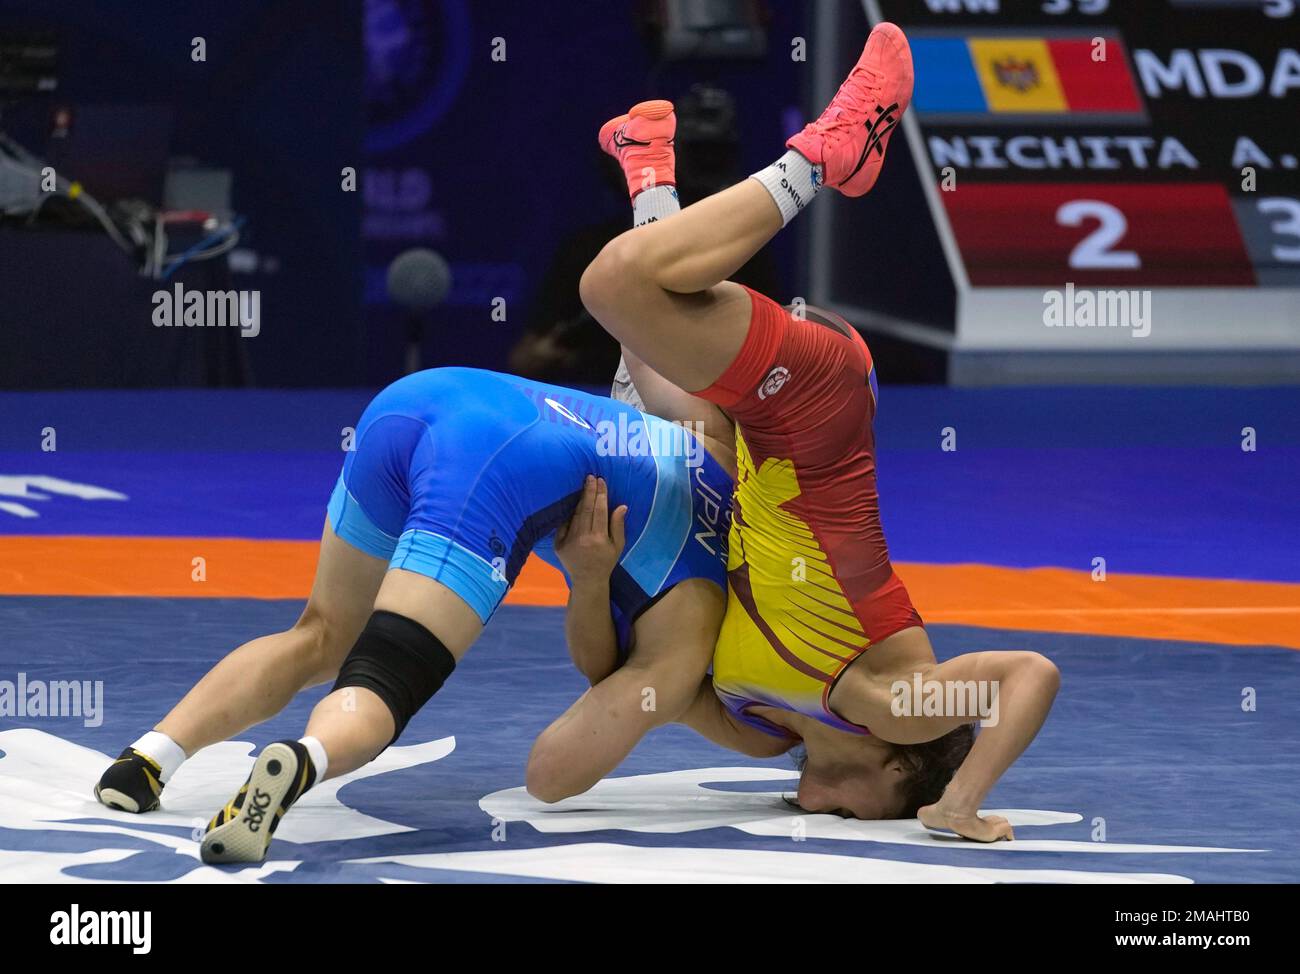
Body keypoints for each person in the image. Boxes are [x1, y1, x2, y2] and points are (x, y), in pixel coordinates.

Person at [580, 22, 1060, 841]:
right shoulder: (896, 714)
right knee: (620, 288)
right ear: (903, 769)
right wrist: (959, 801)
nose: (822, 803)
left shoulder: (761, 723)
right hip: (818, 409)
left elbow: (627, 673)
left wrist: (595, 591)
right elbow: (1031, 673)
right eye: (858, 806)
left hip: (753, 453)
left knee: (643, 380)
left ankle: (649, 165)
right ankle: (822, 156)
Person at [94, 367, 739, 862]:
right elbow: (550, 773)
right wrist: (679, 698)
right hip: (494, 461)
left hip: (421, 399)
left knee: (321, 635)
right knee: (386, 675)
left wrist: (591, 580)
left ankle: (149, 757)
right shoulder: (693, 628)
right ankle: (306, 757)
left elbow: (643, 325)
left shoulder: (713, 439)